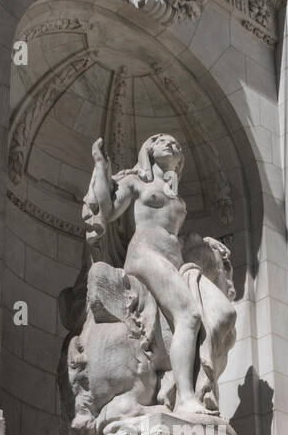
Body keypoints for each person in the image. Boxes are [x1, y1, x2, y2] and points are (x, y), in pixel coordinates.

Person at [82, 133, 212, 418]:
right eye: (162, 140)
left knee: (205, 320)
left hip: (173, 260)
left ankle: (183, 389)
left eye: (176, 144)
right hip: (145, 253)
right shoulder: (136, 181)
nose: (171, 143)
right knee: (189, 315)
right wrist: (100, 166)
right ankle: (187, 398)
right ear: (149, 149)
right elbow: (108, 210)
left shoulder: (174, 191)